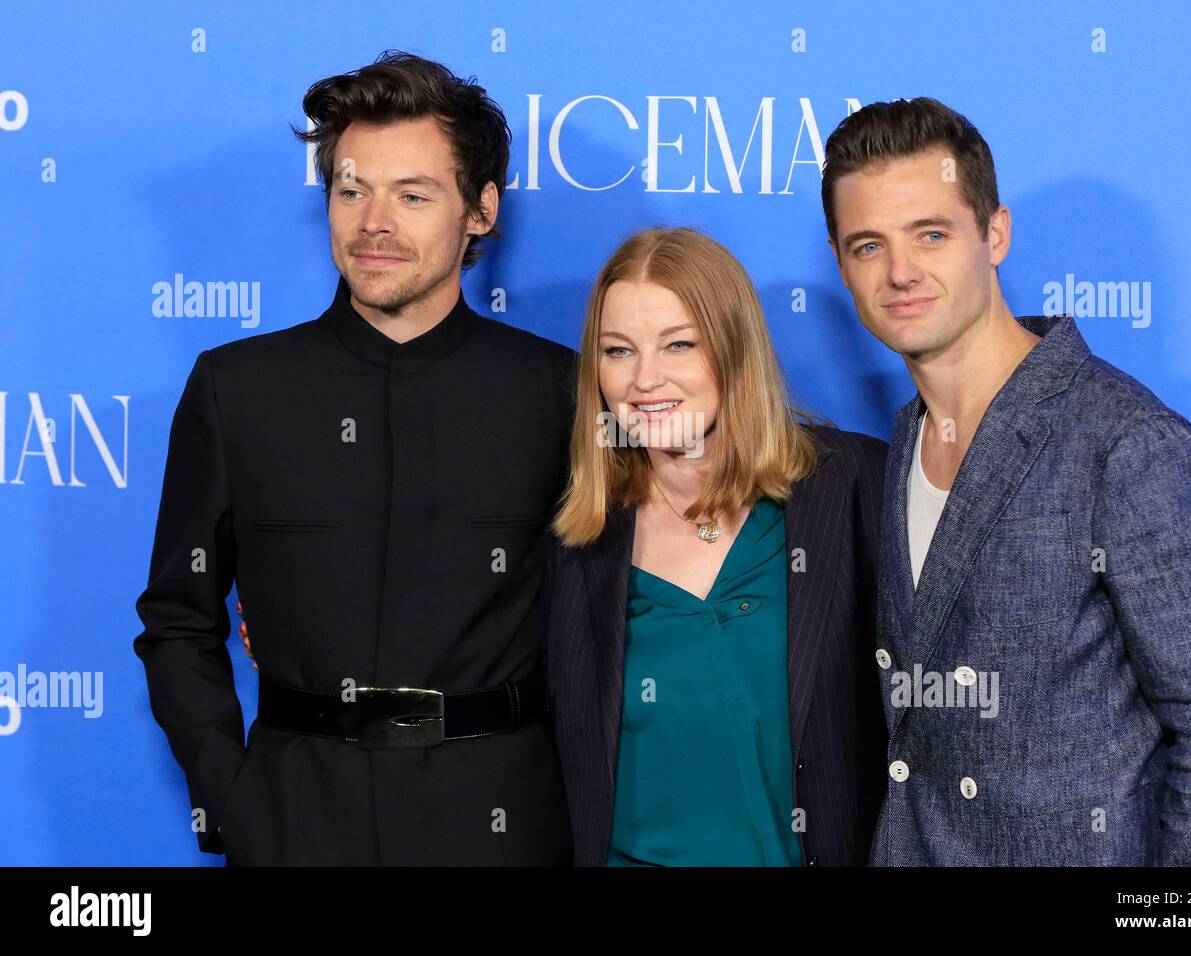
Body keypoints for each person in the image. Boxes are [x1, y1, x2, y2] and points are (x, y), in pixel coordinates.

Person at [134, 51, 575, 865]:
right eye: (350, 189)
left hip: (503, 821)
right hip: (297, 816)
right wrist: (234, 798)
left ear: (480, 210)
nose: (373, 222)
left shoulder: (560, 391)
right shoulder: (239, 389)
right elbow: (176, 622)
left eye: (413, 194)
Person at [821, 96, 1191, 865]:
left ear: (994, 234)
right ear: (841, 263)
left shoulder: (1125, 444)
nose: (900, 272)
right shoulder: (905, 437)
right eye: (868, 246)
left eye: (931, 234)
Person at [542, 226, 888, 866]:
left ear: (734, 350)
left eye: (678, 345)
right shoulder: (577, 540)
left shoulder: (851, 486)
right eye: (618, 351)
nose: (645, 380)